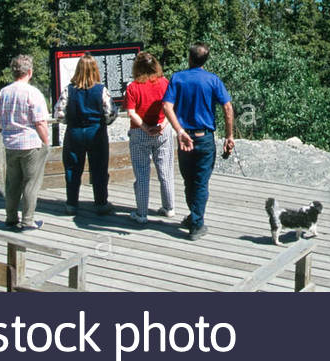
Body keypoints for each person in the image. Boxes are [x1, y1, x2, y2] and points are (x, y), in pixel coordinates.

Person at [162, 42, 234, 240]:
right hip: (204, 139)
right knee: (201, 182)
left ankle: (193, 216)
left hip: (184, 138)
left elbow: (167, 106)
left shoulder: (177, 78)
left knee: (189, 180)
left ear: (189, 58)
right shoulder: (213, 80)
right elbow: (227, 108)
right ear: (206, 60)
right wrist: (229, 136)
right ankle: (196, 224)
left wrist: (179, 130)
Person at [53, 54, 115, 215]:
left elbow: (59, 113)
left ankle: (72, 203)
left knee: (73, 168)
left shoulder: (69, 89)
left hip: (75, 132)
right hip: (96, 132)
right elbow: (111, 112)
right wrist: (104, 123)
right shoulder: (101, 90)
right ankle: (101, 203)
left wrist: (71, 121)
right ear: (95, 70)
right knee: (99, 168)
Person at [0, 54, 49, 231]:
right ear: (30, 72)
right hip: (30, 143)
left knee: (13, 183)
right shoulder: (33, 93)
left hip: (10, 143)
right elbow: (40, 121)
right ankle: (27, 220)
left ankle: (10, 217)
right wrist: (46, 141)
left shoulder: (4, 92)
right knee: (31, 183)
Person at [124, 50, 175, 224]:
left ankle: (142, 213)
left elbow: (131, 112)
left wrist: (145, 128)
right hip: (163, 131)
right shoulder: (165, 83)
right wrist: (163, 125)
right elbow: (170, 107)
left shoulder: (132, 87)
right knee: (165, 171)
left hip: (140, 133)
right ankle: (169, 207)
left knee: (142, 174)